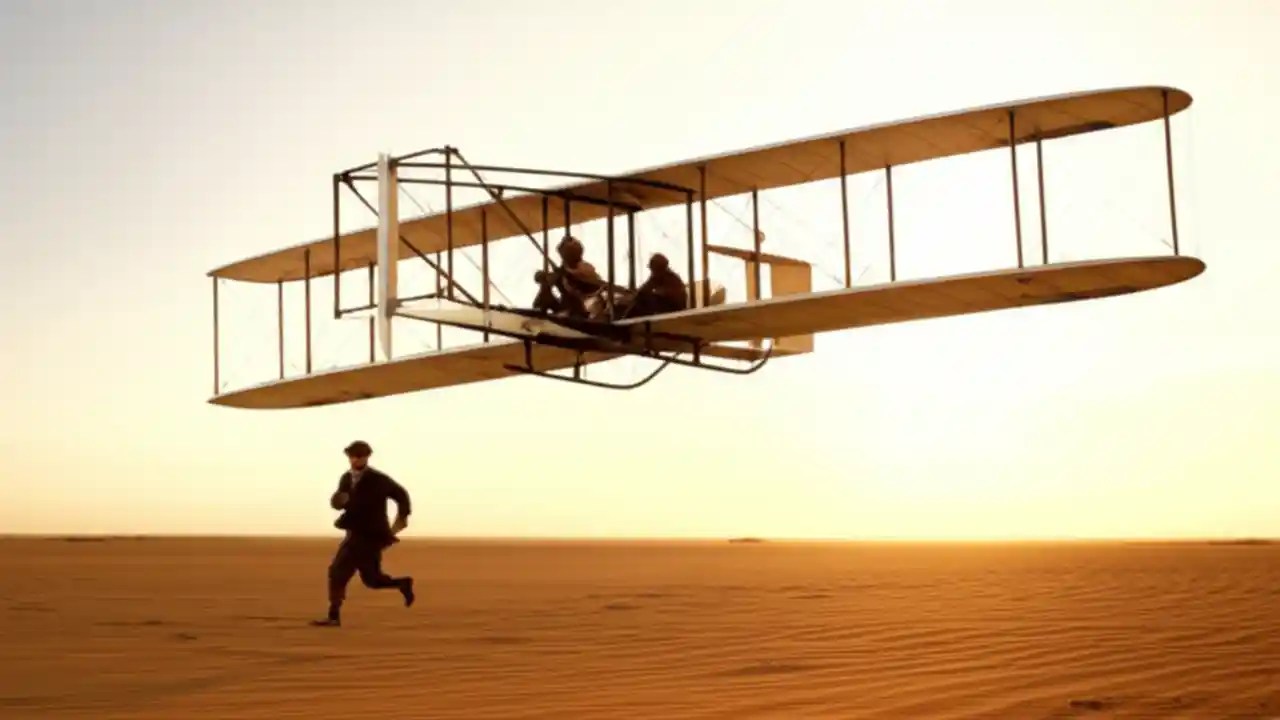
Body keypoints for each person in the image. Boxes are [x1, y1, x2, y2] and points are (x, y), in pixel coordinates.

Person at [310, 440, 414, 627]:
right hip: (354, 532)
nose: (356, 459)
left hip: (371, 535)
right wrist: (338, 502)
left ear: (367, 457)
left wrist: (402, 518)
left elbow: (401, 494)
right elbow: (339, 501)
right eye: (353, 456)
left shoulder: (378, 479)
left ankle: (334, 616)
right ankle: (402, 584)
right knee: (371, 579)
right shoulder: (346, 478)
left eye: (360, 456)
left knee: (338, 571)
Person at [532, 235, 605, 318]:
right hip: (567, 307)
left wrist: (570, 275)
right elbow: (547, 278)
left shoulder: (586, 268)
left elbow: (591, 283)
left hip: (583, 309)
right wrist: (545, 277)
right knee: (545, 292)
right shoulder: (563, 270)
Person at [622, 253, 688, 318]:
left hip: (675, 309)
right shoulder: (656, 277)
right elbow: (643, 290)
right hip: (667, 308)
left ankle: (624, 323)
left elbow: (672, 295)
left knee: (644, 300)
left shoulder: (671, 278)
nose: (651, 270)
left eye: (652, 267)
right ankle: (625, 322)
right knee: (642, 299)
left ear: (659, 267)